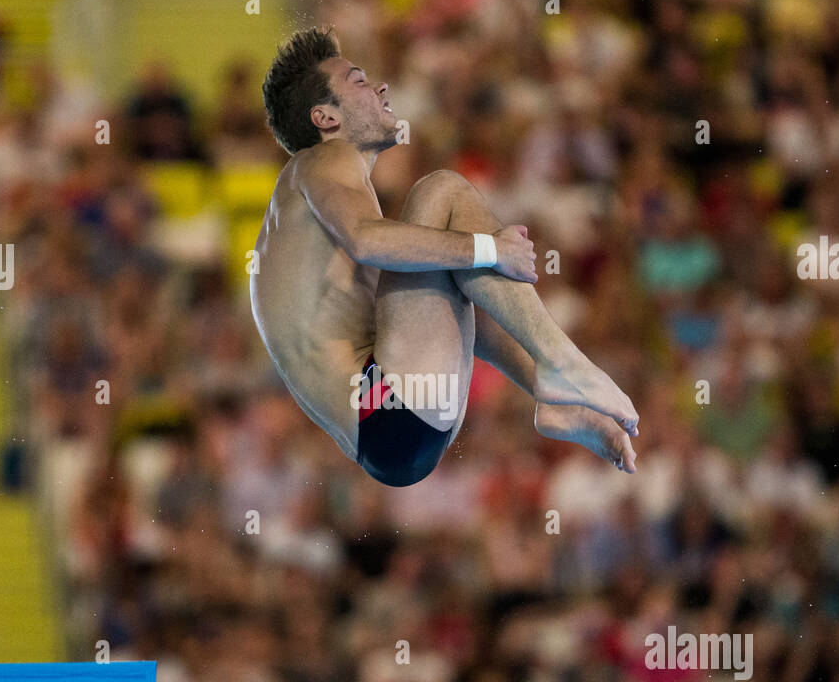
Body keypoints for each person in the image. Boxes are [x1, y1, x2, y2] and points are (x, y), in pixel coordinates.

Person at [252, 28, 639, 487]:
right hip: (388, 406)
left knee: (441, 263)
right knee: (442, 190)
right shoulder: (321, 161)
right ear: (325, 118)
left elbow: (446, 316)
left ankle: (551, 389)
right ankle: (562, 360)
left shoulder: (311, 227)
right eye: (358, 81)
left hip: (394, 434)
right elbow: (364, 239)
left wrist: (531, 372)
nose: (381, 88)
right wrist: (492, 248)